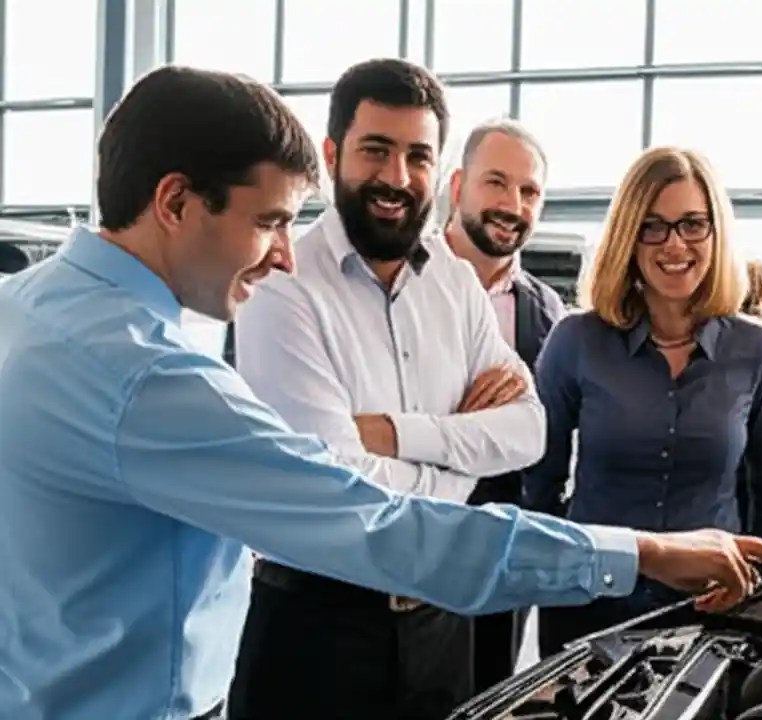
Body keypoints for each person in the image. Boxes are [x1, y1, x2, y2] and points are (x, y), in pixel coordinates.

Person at [0, 65, 762, 720]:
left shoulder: (26, 309)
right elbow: (378, 525)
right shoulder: (151, 377)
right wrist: (649, 551)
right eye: (270, 222)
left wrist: (390, 439)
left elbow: (515, 436)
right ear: (175, 202)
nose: (283, 256)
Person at [227, 62, 545, 716]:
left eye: (417, 156)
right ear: (332, 152)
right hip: (317, 628)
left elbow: (529, 431)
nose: (397, 178)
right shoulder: (282, 287)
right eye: (377, 150)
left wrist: (398, 435)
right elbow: (341, 486)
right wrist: (460, 471)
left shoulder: (456, 285)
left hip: (440, 625)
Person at [524, 146, 762, 657]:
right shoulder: (575, 340)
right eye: (653, 226)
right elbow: (538, 483)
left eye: (693, 224)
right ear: (629, 237)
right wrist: (553, 577)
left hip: (712, 610)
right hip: (589, 605)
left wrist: (755, 591)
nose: (675, 244)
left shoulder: (757, 347)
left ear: (716, 232)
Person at [442, 118, 568, 694]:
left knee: (492, 694)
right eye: (496, 183)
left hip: (504, 549)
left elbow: (544, 436)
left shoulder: (549, 314)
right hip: (413, 541)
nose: (511, 204)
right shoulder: (402, 281)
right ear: (457, 185)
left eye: (529, 191)